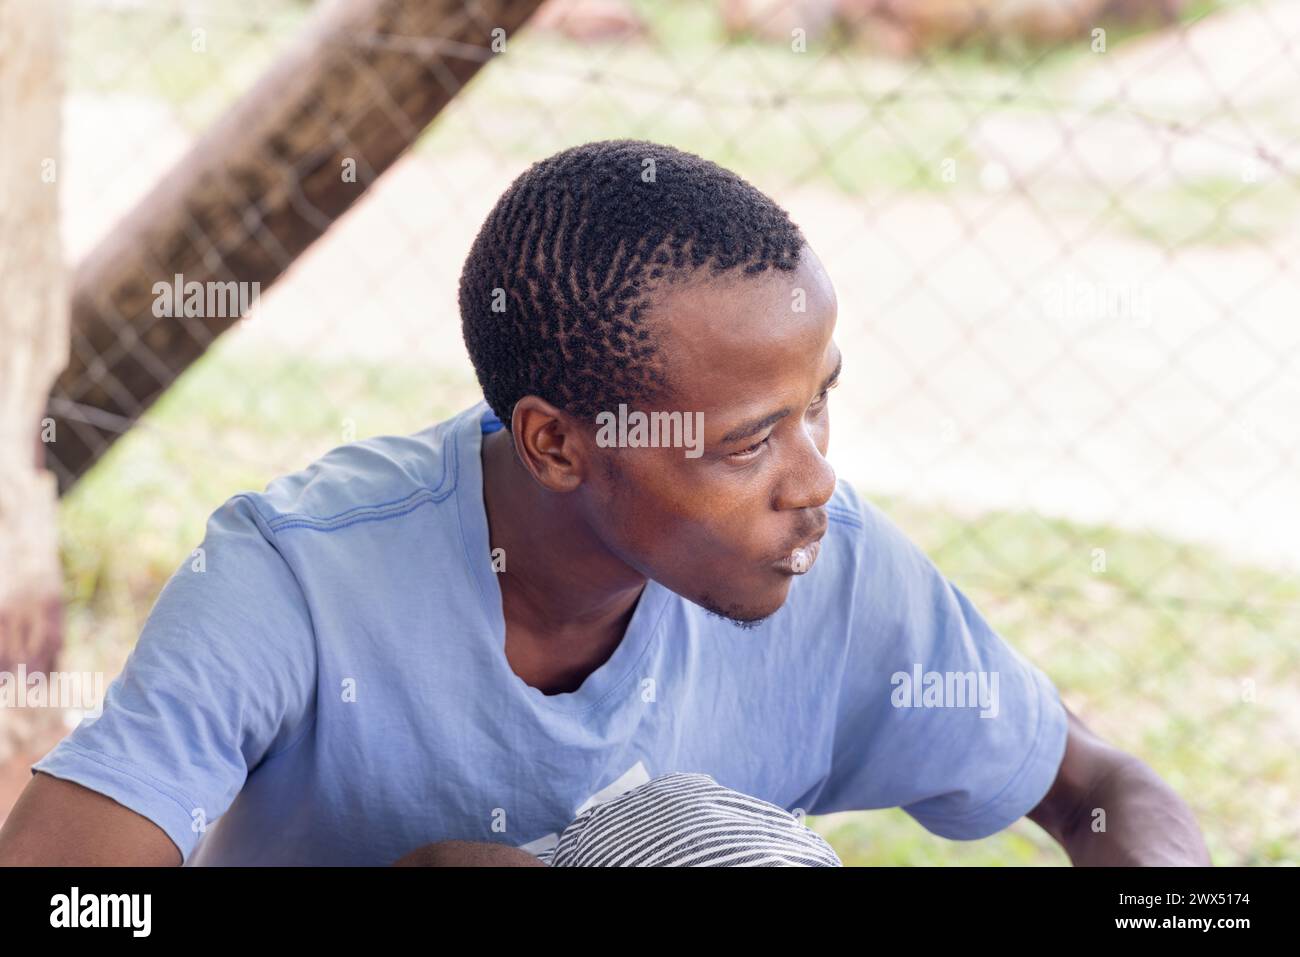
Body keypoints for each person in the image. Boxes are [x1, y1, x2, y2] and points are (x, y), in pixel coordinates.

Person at [0, 140, 1209, 867]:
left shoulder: (824, 560)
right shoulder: (300, 579)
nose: (814, 480)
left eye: (817, 406)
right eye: (745, 443)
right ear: (557, 445)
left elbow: (1104, 791)